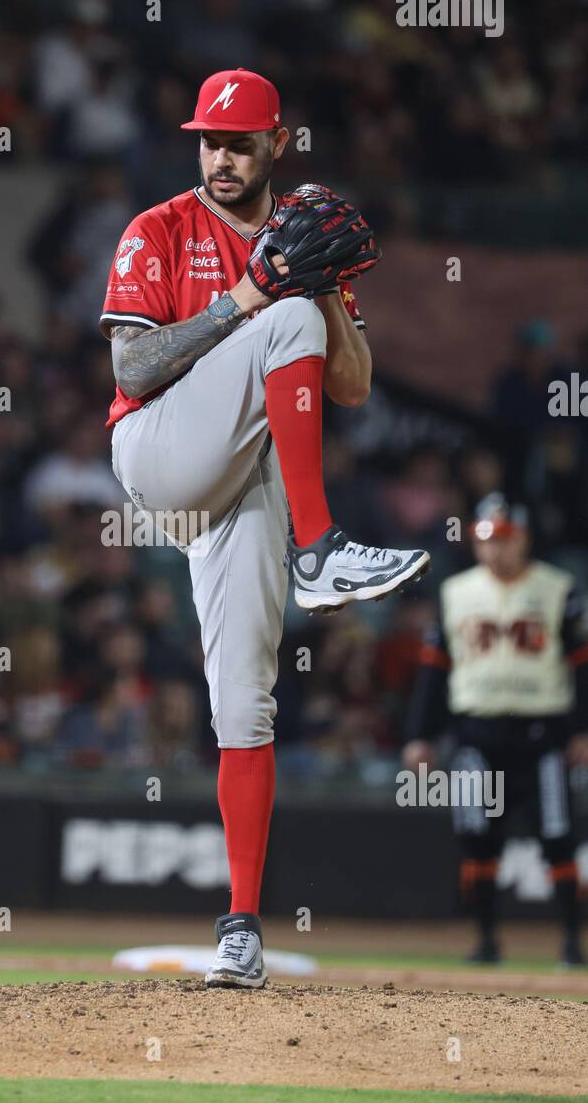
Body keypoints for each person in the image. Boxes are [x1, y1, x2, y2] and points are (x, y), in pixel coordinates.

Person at [101, 67, 430, 987]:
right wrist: (258, 294)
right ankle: (320, 549)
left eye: (239, 141)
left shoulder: (298, 244)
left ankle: (239, 930)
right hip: (161, 454)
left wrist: (319, 287)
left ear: (277, 145)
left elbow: (354, 382)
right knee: (280, 312)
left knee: (245, 707)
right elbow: (132, 366)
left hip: (241, 478)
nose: (220, 155)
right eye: (209, 139)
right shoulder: (159, 228)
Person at [402, 494, 588, 967]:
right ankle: (485, 941)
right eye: (487, 540)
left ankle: (571, 942)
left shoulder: (558, 588)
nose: (495, 551)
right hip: (475, 734)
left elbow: (581, 666)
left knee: (558, 835)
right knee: (478, 838)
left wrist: (581, 730)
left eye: (504, 540)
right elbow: (433, 673)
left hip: (541, 733)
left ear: (523, 539)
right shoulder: (456, 592)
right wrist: (420, 735)